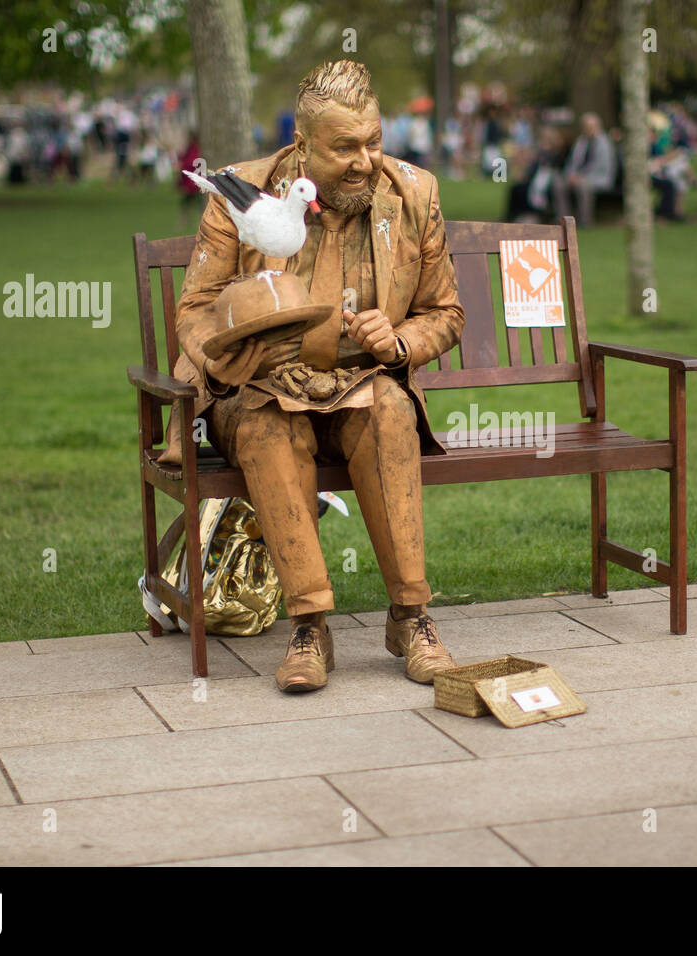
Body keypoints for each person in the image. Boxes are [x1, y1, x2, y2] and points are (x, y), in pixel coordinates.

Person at [164, 59, 464, 694]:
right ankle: (309, 627)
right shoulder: (240, 190)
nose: (366, 160)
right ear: (302, 147)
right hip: (261, 386)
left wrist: (401, 340)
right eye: (345, 147)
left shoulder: (415, 193)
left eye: (374, 141)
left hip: (362, 384)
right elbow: (193, 308)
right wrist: (226, 354)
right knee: (270, 427)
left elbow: (446, 312)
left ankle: (411, 618)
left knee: (390, 411)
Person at [559, 112, 616, 225]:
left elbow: (600, 167)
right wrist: (570, 175)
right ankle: (564, 219)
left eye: (590, 127)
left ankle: (585, 221)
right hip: (577, 177)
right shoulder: (581, 142)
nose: (587, 129)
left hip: (597, 178)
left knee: (583, 186)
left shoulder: (604, 143)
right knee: (559, 183)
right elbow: (573, 162)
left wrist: (580, 177)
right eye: (585, 127)